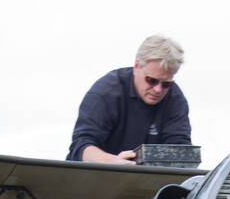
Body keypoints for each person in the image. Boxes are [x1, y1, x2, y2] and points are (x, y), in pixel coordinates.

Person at [67, 34, 191, 164]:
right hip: (95, 176)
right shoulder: (106, 93)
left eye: (166, 84)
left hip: (149, 180)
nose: (158, 89)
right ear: (137, 66)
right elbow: (81, 147)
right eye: (151, 80)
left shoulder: (175, 99)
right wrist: (113, 162)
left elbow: (182, 153)